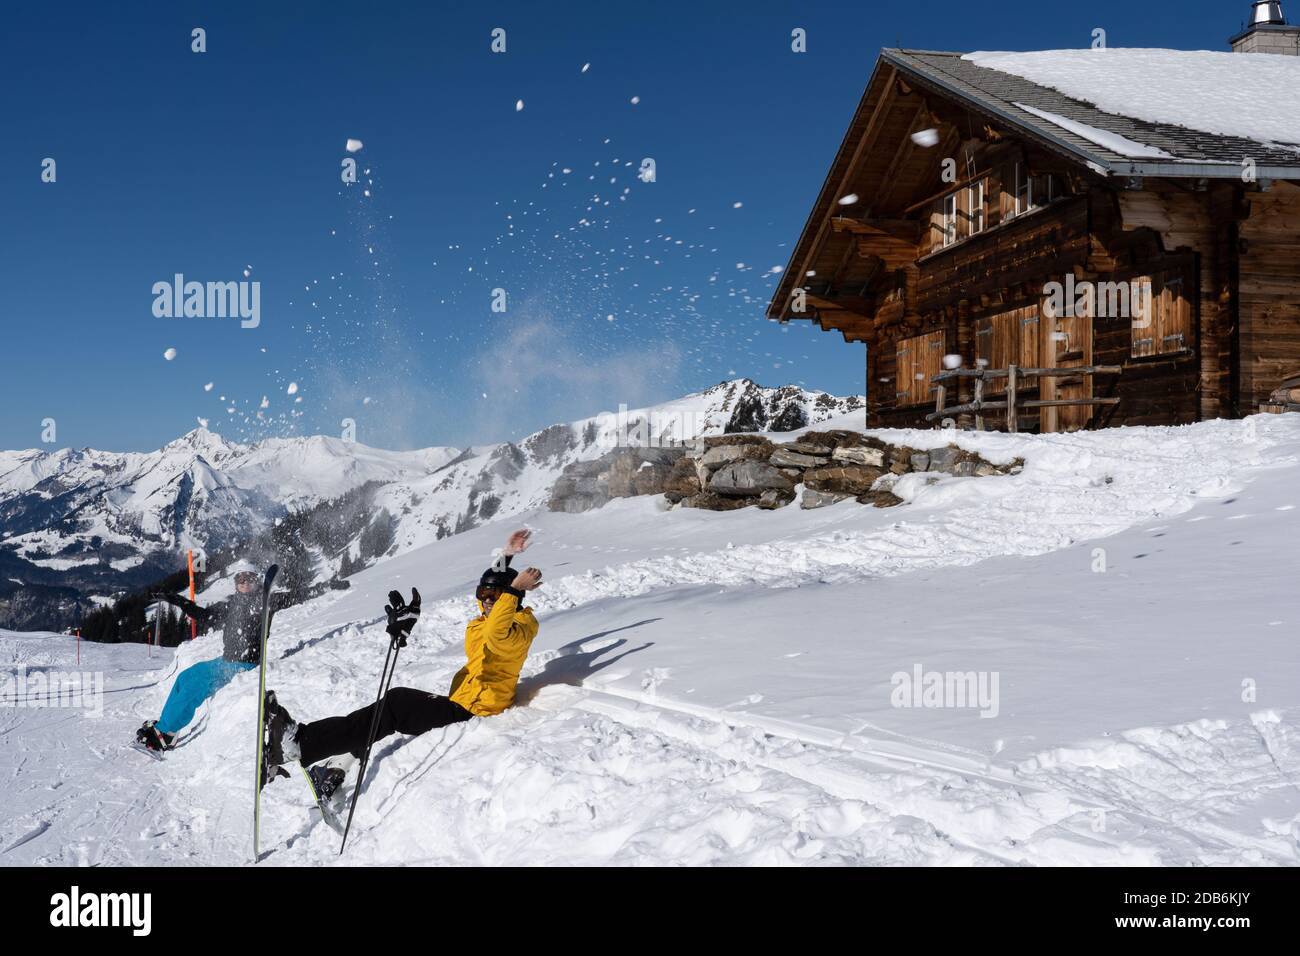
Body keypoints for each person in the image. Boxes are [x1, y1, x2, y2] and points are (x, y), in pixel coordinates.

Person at [261, 529, 543, 798]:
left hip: (475, 711)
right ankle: (333, 770)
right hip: (464, 701)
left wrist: (515, 590)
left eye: (497, 596)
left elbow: (497, 633)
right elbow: (495, 611)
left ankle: (300, 743)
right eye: (484, 594)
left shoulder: (521, 625)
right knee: (381, 712)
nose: (490, 601)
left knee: (397, 704)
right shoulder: (488, 617)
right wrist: (506, 557)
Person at [134, 562, 348, 751]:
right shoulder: (230, 606)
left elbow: (298, 595)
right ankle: (168, 730)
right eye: (241, 579)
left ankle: (162, 734)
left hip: (244, 665)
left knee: (194, 688)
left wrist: (327, 586)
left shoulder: (266, 602)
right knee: (185, 677)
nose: (245, 583)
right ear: (236, 583)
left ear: (257, 581)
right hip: (225, 661)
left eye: (250, 579)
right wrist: (176, 600)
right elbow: (202, 614)